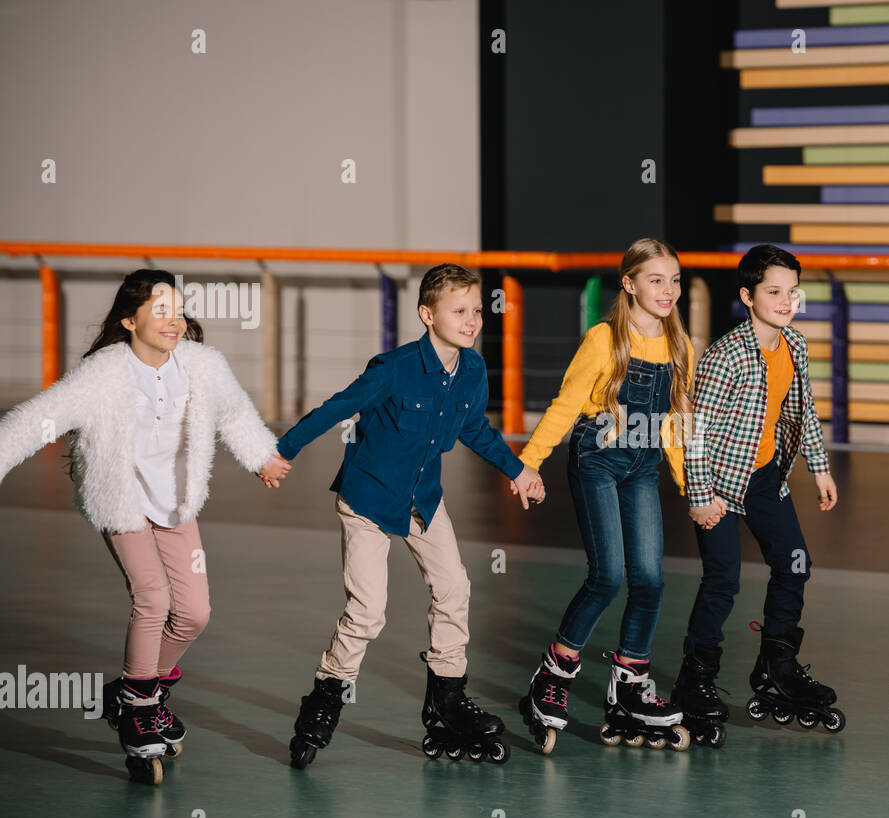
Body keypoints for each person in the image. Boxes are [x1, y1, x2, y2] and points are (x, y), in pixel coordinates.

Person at [0, 269, 291, 784]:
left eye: (177, 310)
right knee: (152, 598)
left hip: (177, 504)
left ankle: (136, 690)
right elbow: (37, 418)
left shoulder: (202, 366)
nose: (173, 320)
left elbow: (235, 414)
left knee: (195, 613)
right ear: (130, 320)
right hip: (124, 502)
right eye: (160, 311)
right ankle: (138, 711)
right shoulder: (104, 374)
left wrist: (262, 456)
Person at [275, 263, 542, 767]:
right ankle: (325, 697)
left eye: (476, 311)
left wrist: (518, 469)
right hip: (369, 501)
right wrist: (283, 451)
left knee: (454, 588)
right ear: (427, 314)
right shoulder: (393, 369)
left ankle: (446, 699)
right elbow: (337, 408)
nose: (471, 320)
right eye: (458, 311)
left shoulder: (473, 371)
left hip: (424, 499)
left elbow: (474, 429)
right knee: (368, 612)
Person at [517, 238, 694, 753]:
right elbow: (566, 405)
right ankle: (553, 673)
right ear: (629, 283)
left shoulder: (679, 344)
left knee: (651, 578)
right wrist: (528, 462)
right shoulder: (604, 339)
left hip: (643, 468)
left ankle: (630, 685)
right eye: (656, 279)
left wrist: (692, 487)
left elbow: (677, 425)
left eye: (675, 280)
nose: (668, 290)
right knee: (608, 575)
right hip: (597, 461)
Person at [676, 244, 846, 746]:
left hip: (767, 477)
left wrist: (820, 469)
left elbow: (803, 410)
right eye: (774, 291)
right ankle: (695, 679)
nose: (786, 300)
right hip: (720, 485)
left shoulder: (794, 344)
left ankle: (777, 666)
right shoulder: (725, 357)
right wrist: (700, 496)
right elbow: (695, 431)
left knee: (795, 563)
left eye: (793, 292)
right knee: (723, 580)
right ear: (748, 296)